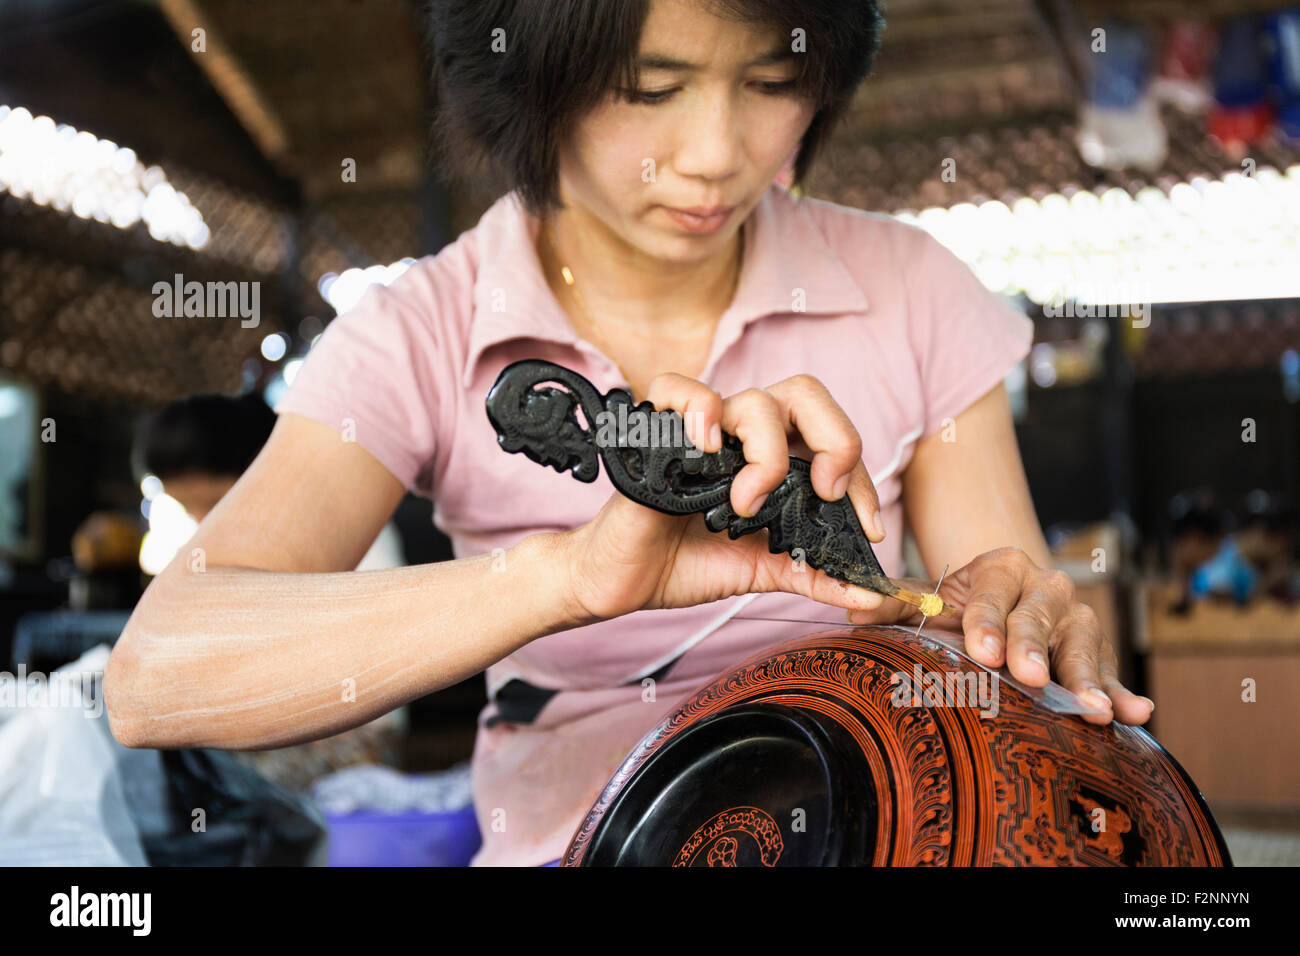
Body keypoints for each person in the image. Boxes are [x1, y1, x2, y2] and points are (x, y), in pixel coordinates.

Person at [105, 0, 1154, 867]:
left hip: (869, 820)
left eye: (771, 80)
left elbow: (994, 611)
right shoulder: (419, 329)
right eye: (648, 88)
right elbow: (157, 674)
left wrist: (1015, 625)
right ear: (531, 80)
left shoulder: (912, 287)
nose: (713, 156)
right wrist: (563, 579)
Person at [131, 393, 404, 570]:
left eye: (214, 503)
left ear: (260, 466)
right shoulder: (219, 557)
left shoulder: (348, 524)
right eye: (187, 508)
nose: (202, 521)